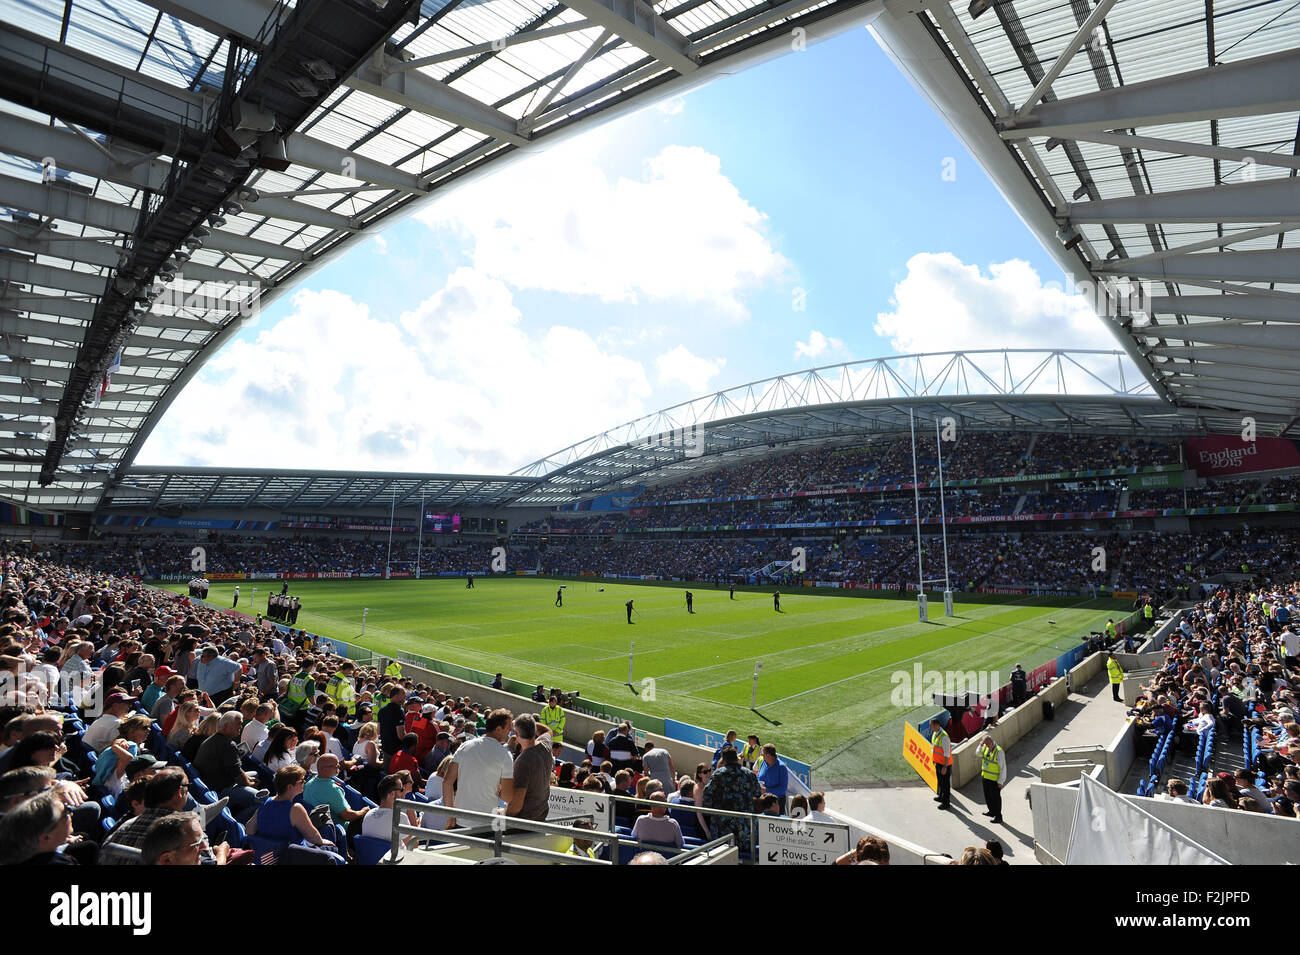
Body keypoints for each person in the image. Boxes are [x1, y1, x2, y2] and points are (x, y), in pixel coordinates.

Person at [443, 708, 515, 829]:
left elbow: (447, 781)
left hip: (460, 822)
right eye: (509, 727)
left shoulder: (465, 746)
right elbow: (507, 797)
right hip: (486, 825)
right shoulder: (505, 755)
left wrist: (450, 815)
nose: (511, 731)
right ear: (498, 729)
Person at [193, 713, 266, 823]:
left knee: (254, 774)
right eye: (239, 724)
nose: (241, 727)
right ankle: (235, 824)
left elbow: (235, 768)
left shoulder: (213, 739)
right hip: (220, 789)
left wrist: (248, 779)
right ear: (227, 726)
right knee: (262, 800)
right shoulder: (228, 745)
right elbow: (239, 778)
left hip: (214, 780)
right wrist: (250, 783)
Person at [703, 747, 761, 856]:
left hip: (722, 825)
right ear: (736, 758)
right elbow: (758, 793)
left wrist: (712, 811)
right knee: (746, 857)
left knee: (722, 856)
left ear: (724, 760)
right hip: (745, 825)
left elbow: (707, 795)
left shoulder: (718, 775)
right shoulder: (749, 774)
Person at [506, 714, 551, 822]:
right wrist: (529, 724)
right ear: (534, 730)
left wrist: (502, 815)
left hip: (523, 823)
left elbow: (516, 805)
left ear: (516, 734)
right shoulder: (546, 745)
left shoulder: (523, 761)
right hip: (540, 816)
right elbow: (548, 731)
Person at [977, 734, 1007, 825]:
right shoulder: (985, 747)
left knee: (996, 798)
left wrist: (1000, 781)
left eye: (986, 744)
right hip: (985, 777)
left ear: (991, 742)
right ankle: (991, 811)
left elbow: (1003, 767)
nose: (986, 746)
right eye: (984, 744)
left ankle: (998, 816)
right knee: (988, 796)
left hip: (994, 780)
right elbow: (977, 753)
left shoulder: (999, 751)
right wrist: (980, 745)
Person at [755, 744, 789, 812]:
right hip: (763, 801)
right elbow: (759, 777)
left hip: (776, 803)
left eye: (763, 754)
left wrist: (766, 791)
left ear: (768, 755)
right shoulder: (763, 762)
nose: (761, 755)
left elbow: (783, 789)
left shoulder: (781, 767)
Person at [930, 718, 952, 810]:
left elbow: (947, 753)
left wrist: (945, 767)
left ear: (937, 725)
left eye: (931, 725)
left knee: (945, 784)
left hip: (944, 765)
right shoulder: (935, 733)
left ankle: (946, 802)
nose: (930, 727)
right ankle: (941, 797)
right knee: (941, 782)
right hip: (938, 763)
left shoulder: (944, 737)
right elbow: (935, 748)